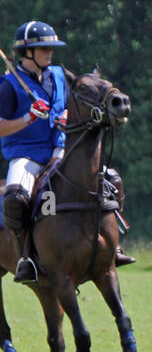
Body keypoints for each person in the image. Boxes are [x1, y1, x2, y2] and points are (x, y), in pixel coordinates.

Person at [0, 22, 135, 283]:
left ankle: (112, 246)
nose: (50, 53)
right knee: (16, 198)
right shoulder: (8, 86)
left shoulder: (59, 76)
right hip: (27, 156)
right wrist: (28, 117)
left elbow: (70, 107)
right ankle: (26, 258)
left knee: (112, 181)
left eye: (51, 47)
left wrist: (63, 116)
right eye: (43, 48)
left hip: (63, 149)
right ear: (27, 53)